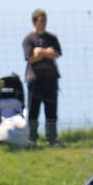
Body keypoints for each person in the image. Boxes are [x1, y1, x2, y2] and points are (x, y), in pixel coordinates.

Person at [22, 9, 62, 145]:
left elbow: (56, 53)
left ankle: (52, 138)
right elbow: (31, 58)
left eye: (45, 20)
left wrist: (41, 52)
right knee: (34, 110)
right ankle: (32, 138)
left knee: (51, 109)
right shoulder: (28, 39)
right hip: (35, 80)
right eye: (41, 20)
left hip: (51, 78)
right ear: (34, 21)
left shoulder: (51, 37)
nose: (44, 23)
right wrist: (47, 53)